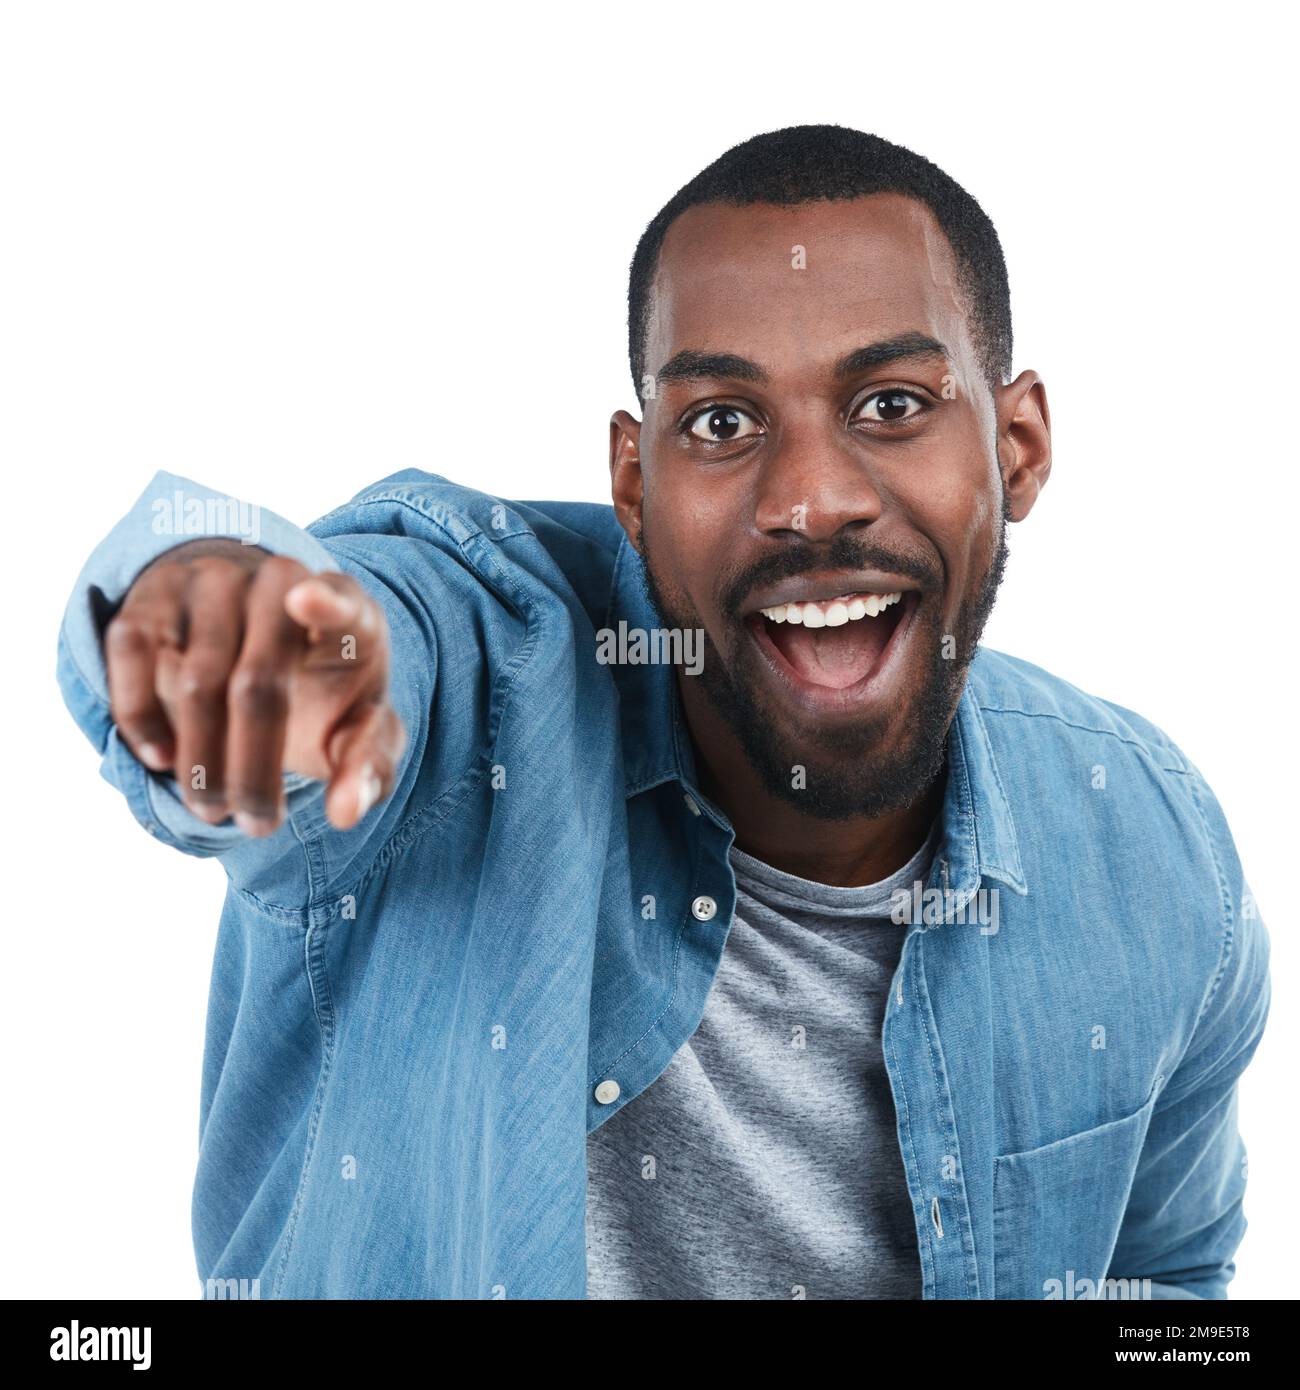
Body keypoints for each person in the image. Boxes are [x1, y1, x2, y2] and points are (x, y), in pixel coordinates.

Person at [57, 125, 1270, 1300]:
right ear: (634, 483)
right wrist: (238, 637)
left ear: (1016, 447)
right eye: (724, 423)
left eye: (892, 404)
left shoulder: (1152, 852)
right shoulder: (484, 693)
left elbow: (1159, 1281)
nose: (811, 500)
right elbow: (379, 623)